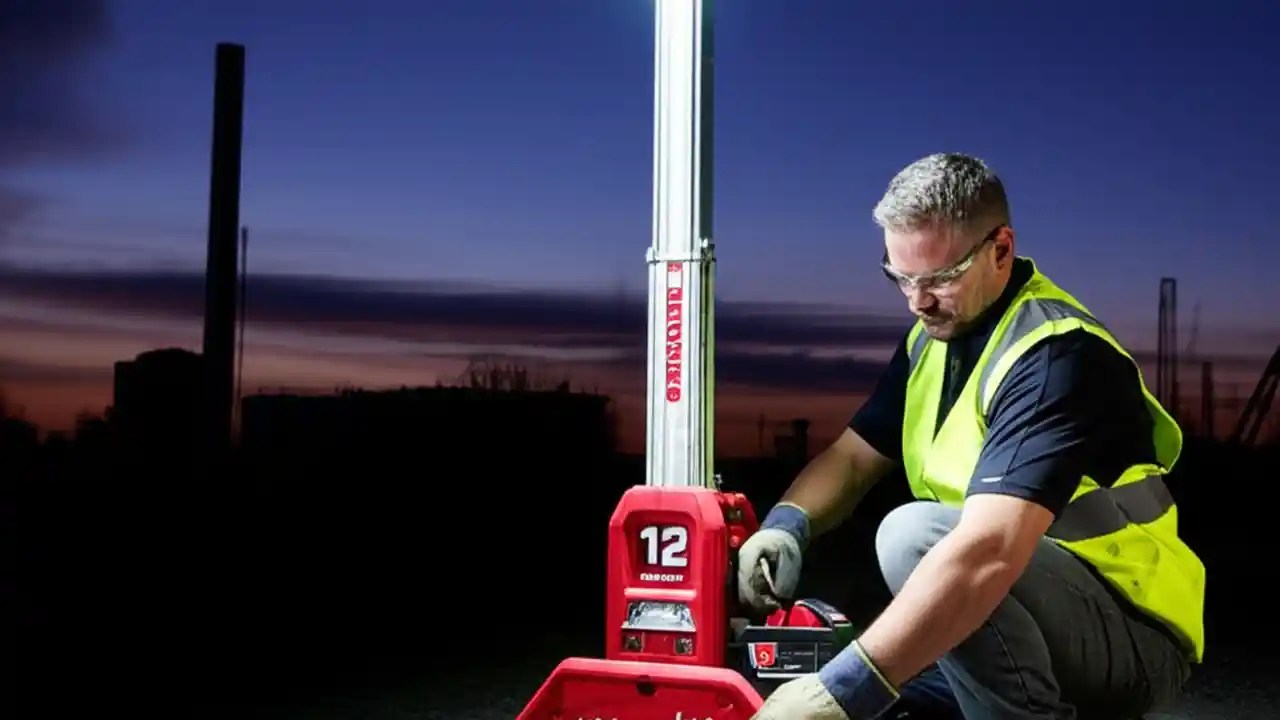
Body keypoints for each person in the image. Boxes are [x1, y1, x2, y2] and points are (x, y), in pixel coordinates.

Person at [741, 152, 1205, 720]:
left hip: (1132, 630)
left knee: (912, 536)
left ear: (1001, 250)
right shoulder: (929, 341)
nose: (917, 300)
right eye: (901, 277)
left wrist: (843, 692)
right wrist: (787, 525)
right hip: (1029, 611)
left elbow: (988, 551)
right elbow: (854, 458)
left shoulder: (1057, 353)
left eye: (938, 278)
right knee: (900, 690)